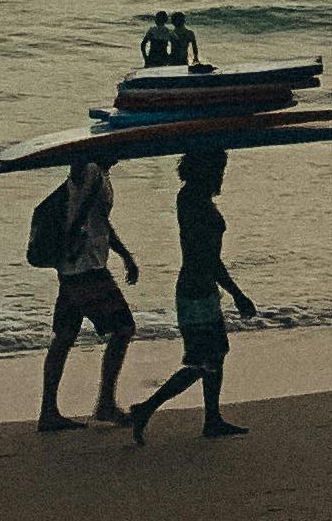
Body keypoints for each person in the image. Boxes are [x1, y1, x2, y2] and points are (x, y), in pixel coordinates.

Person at [129, 148, 257, 442]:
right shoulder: (192, 200)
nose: (221, 177)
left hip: (202, 289)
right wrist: (238, 294)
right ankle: (146, 408)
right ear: (205, 171)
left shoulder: (194, 198)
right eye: (218, 170)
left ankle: (212, 418)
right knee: (203, 361)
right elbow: (208, 258)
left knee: (216, 355)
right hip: (196, 291)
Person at [40, 156, 139, 433]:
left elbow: (101, 222)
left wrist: (125, 255)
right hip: (86, 270)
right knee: (124, 328)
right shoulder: (88, 172)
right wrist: (83, 149)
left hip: (76, 267)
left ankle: (48, 412)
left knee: (65, 336)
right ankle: (105, 403)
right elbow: (76, 164)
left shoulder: (102, 175)